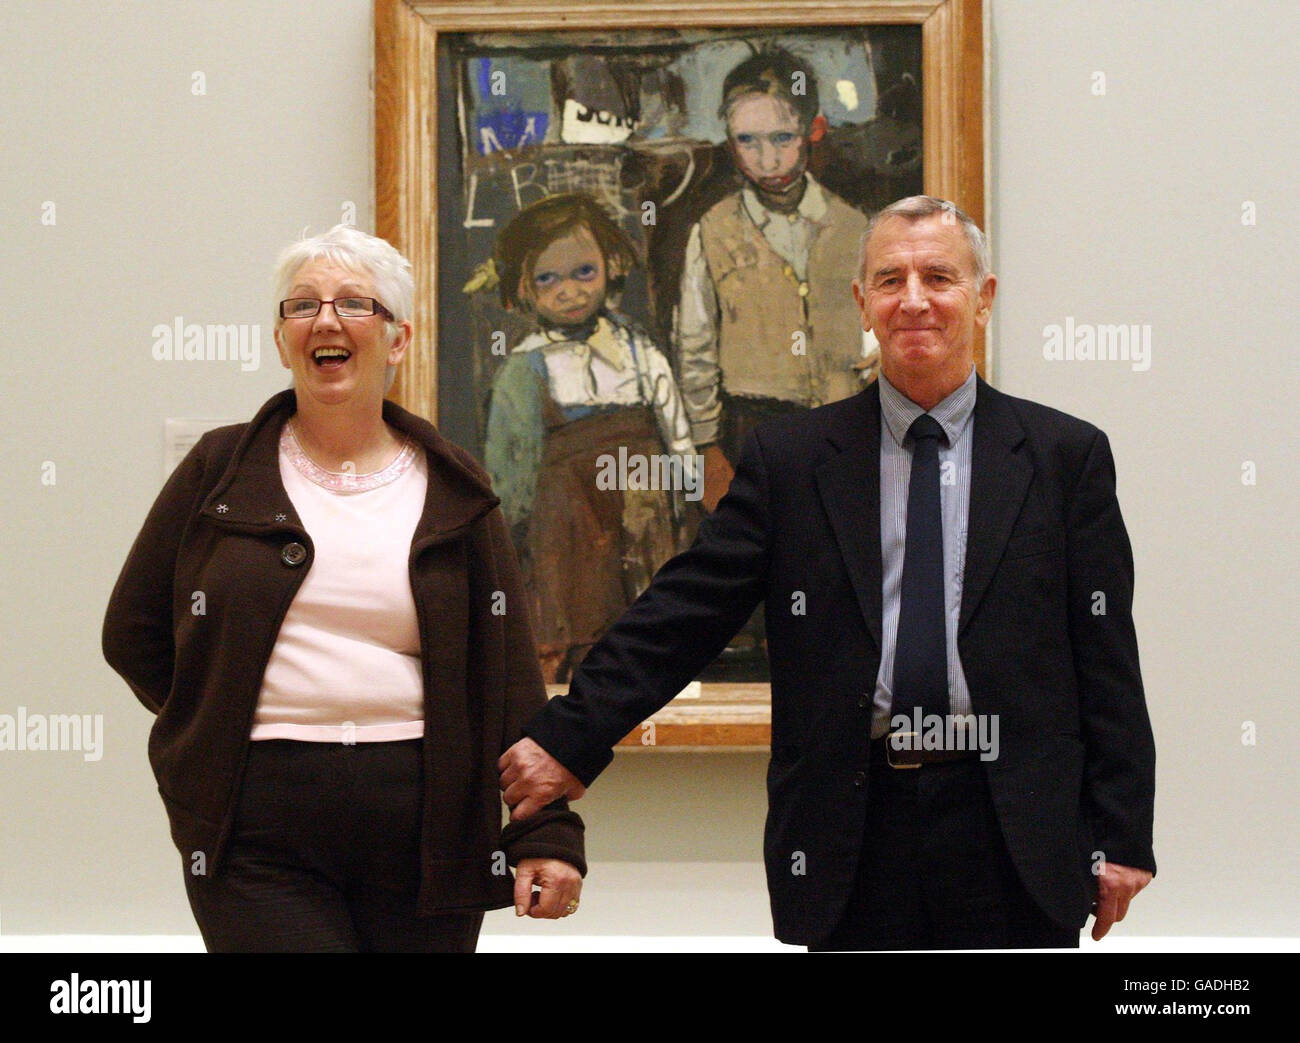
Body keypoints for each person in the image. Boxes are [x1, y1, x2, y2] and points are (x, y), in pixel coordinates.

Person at [499, 196, 1156, 950]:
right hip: (853, 831)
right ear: (861, 302)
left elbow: (1108, 660)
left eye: (939, 277)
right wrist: (569, 736)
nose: (913, 299)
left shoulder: (1064, 457)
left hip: (1013, 834)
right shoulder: (794, 460)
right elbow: (684, 613)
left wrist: (1123, 832)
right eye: (889, 279)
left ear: (984, 297)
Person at [103, 224, 584, 952]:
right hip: (254, 831)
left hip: (429, 830)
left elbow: (508, 675)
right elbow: (133, 631)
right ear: (281, 339)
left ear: (397, 339)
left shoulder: (456, 485)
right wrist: (211, 715)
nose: (325, 320)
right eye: (303, 306)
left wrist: (547, 832)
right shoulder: (219, 470)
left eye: (354, 303)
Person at [484, 193, 699, 683]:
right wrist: (520, 529)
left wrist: (684, 494)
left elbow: (676, 429)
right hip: (567, 525)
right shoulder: (523, 369)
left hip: (643, 512)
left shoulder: (640, 352)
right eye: (548, 278)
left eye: (583, 272)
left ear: (611, 266)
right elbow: (509, 469)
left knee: (647, 625)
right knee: (578, 621)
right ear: (523, 286)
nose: (569, 291)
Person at [676, 47, 880, 513]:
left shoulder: (854, 226)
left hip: (845, 428)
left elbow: (880, 330)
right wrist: (706, 448)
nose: (767, 159)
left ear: (814, 131)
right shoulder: (712, 229)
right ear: (730, 144)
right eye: (748, 141)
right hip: (752, 431)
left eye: (782, 138)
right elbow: (695, 343)